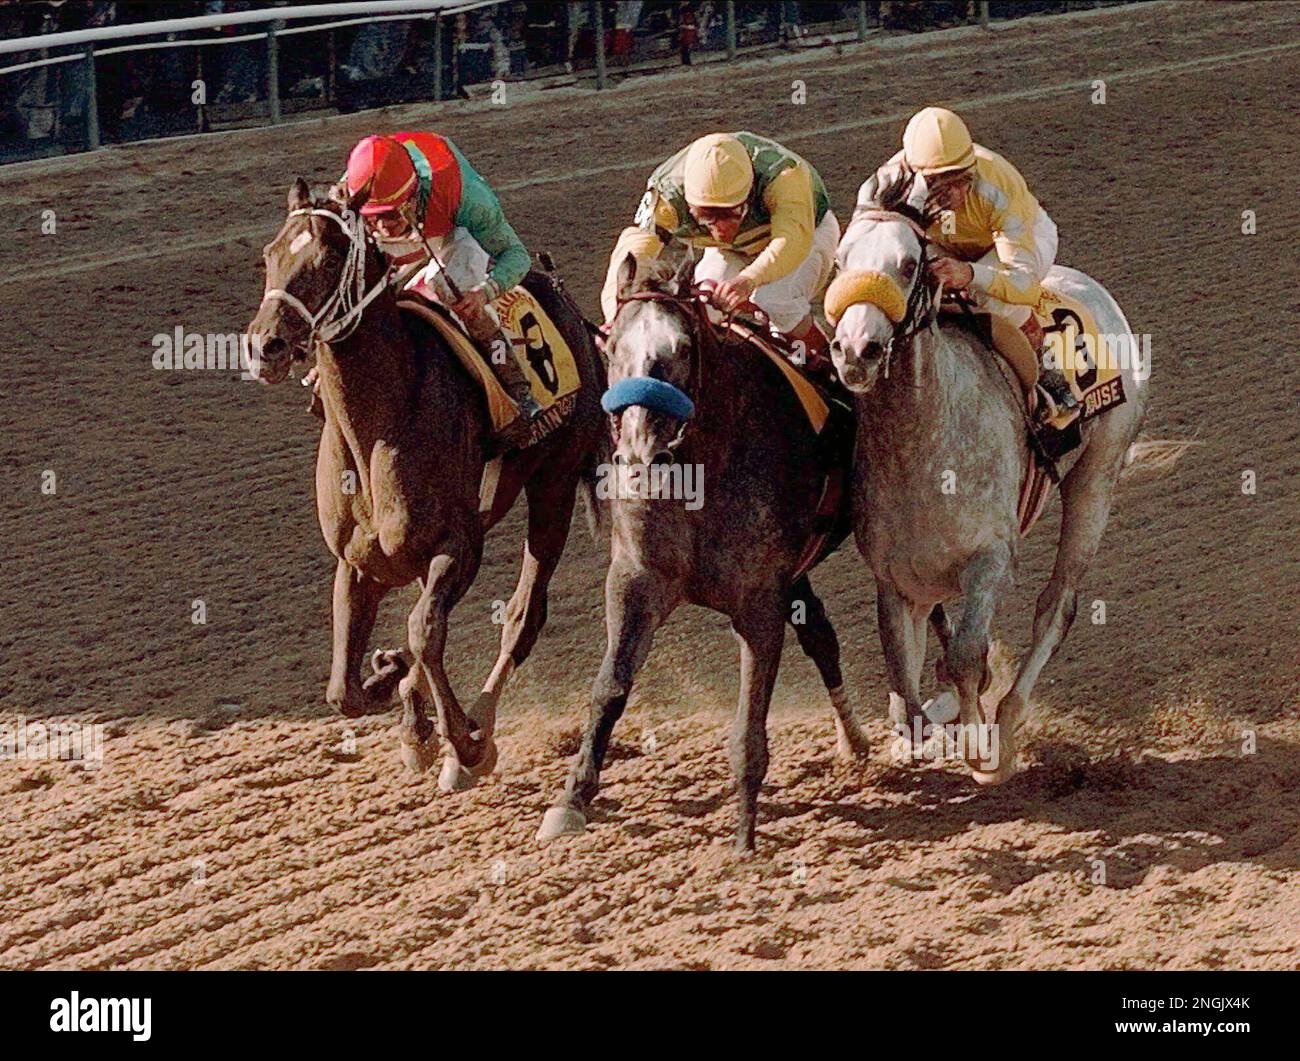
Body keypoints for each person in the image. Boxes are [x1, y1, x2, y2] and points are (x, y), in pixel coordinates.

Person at [859, 105, 1077, 417]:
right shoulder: (885, 185)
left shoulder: (999, 185)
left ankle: (1046, 374)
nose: (957, 191)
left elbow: (1023, 284)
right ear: (915, 176)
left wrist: (970, 274)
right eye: (941, 181)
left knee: (985, 296)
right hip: (945, 243)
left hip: (1020, 241)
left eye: (963, 179)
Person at [342, 132, 542, 427]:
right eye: (373, 218)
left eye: (390, 215)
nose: (382, 228)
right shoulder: (351, 192)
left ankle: (517, 389)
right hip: (416, 216)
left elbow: (516, 256)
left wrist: (483, 293)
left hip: (450, 232)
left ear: (410, 198)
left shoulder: (466, 196)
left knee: (457, 295)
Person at [601, 131, 839, 366]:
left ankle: (831, 368)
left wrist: (750, 279)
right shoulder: (667, 195)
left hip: (810, 233)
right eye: (708, 218)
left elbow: (791, 240)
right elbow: (631, 254)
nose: (722, 230)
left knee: (774, 300)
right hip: (733, 250)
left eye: (731, 214)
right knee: (703, 312)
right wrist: (617, 315)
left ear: (749, 191)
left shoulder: (784, 176)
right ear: (688, 202)